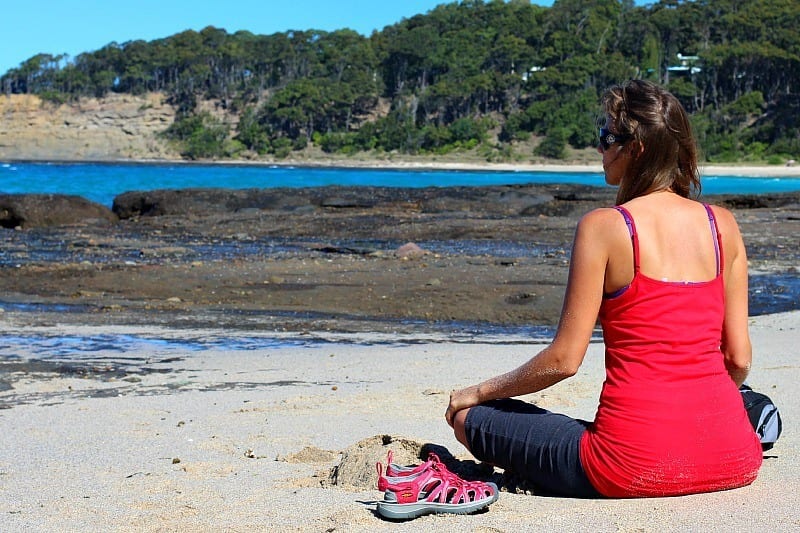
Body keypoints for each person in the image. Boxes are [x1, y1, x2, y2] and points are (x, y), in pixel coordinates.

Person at [445, 79, 763, 498]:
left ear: (637, 149)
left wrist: (477, 391)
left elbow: (563, 360)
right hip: (735, 457)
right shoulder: (724, 226)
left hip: (629, 466)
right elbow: (738, 358)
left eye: (606, 138)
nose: (600, 149)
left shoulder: (606, 227)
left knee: (470, 418)